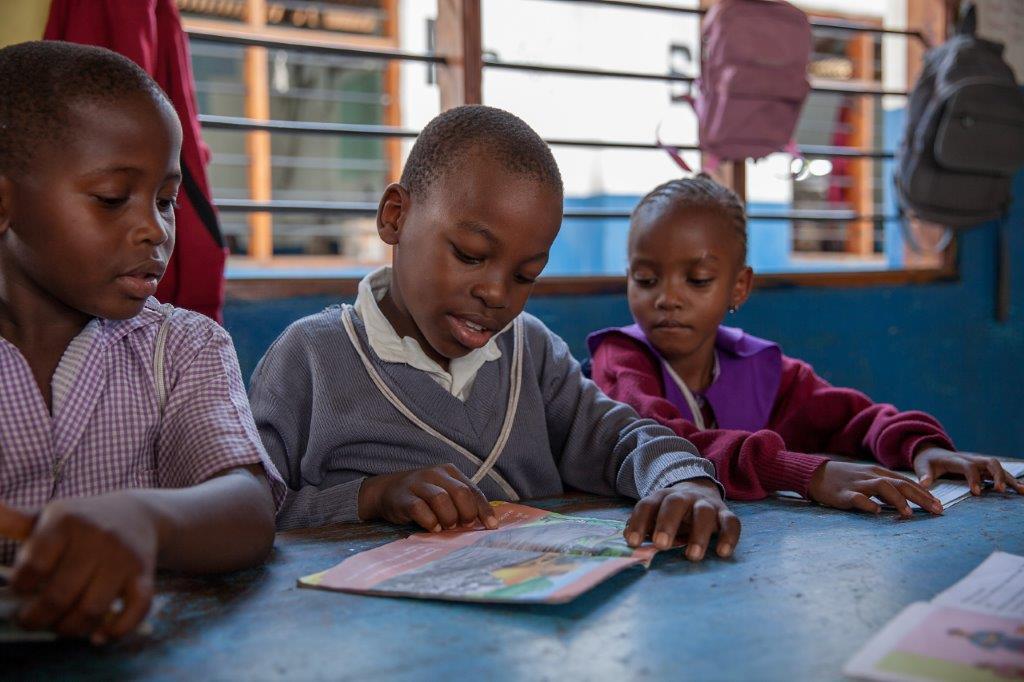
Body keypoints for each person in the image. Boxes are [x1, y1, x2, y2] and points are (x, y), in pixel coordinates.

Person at [251, 106, 740, 561]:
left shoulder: (531, 351)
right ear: (395, 216)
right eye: (469, 254)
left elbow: (623, 438)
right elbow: (251, 510)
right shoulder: (311, 356)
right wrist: (370, 497)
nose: (496, 293)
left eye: (525, 275)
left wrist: (686, 481)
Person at [0, 41, 285, 644]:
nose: (154, 229)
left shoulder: (183, 348)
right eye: (111, 198)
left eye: (166, 201)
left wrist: (145, 517)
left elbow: (248, 509)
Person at [588, 174, 1023, 514]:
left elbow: (854, 418)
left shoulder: (757, 367)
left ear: (739, 287)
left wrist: (923, 447)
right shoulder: (621, 360)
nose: (667, 298)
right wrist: (808, 473)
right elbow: (665, 444)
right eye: (645, 279)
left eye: (697, 280)